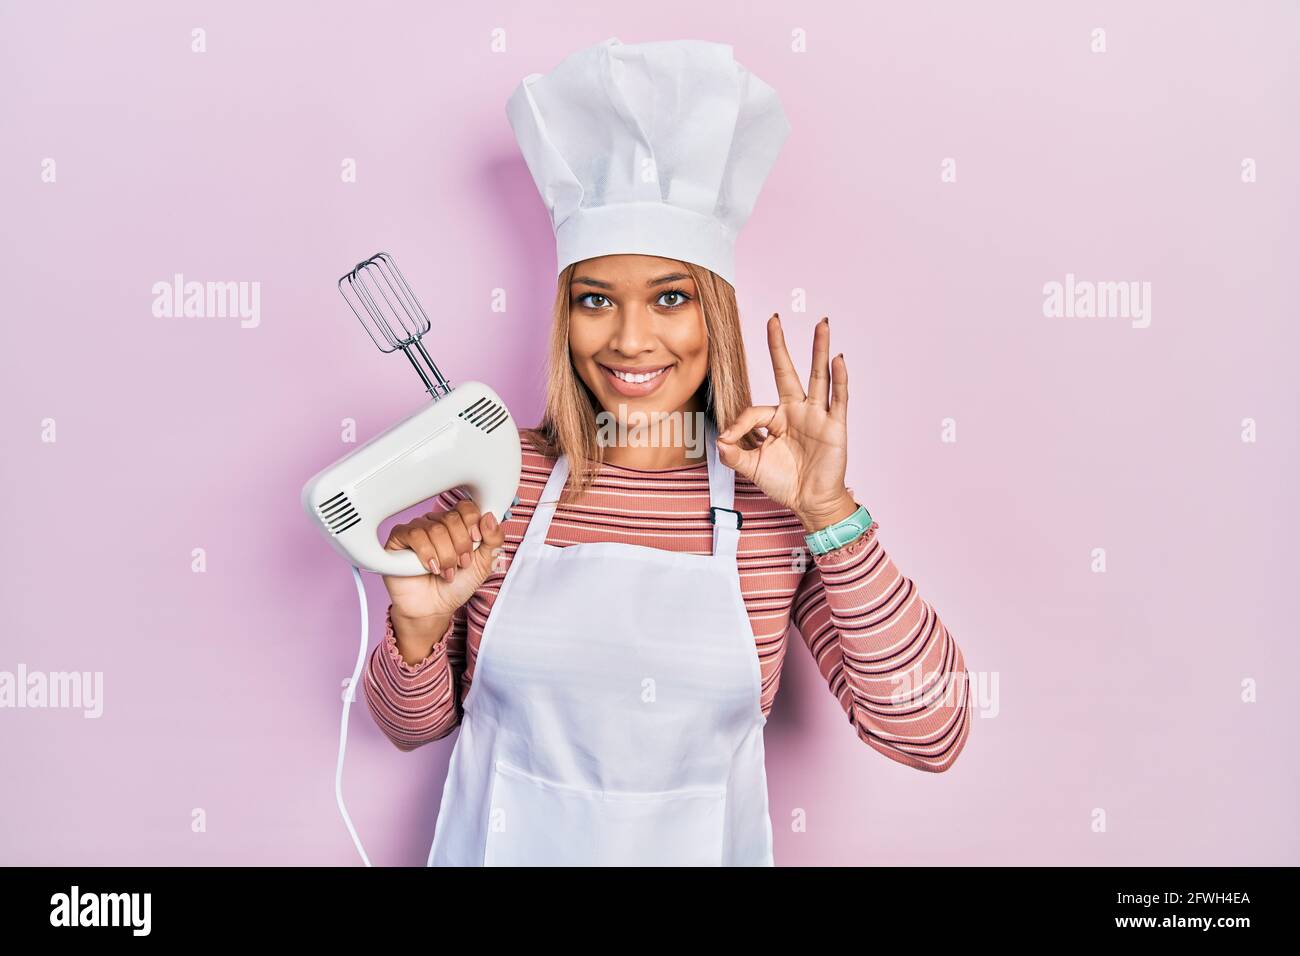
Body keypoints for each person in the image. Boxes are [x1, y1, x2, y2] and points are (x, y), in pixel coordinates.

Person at [364, 37, 971, 866]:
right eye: (595, 299)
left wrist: (831, 513)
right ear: (563, 315)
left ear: (712, 313)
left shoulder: (772, 508)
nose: (630, 338)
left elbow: (931, 729)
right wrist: (418, 627)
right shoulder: (501, 474)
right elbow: (410, 728)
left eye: (671, 297)